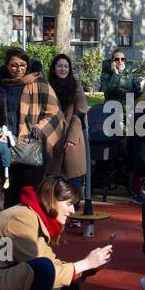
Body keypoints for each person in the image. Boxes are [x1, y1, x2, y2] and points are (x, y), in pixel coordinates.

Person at [0, 48, 62, 210]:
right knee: (10, 195)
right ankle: (9, 232)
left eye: (23, 65)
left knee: (32, 196)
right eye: (14, 65)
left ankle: (32, 231)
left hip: (32, 148)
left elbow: (55, 113)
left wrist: (40, 127)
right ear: (6, 65)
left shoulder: (39, 83)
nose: (18, 69)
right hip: (5, 148)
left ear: (28, 65)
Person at [46, 53, 88, 189]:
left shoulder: (76, 87)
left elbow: (80, 112)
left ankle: (74, 203)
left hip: (72, 134)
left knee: (73, 173)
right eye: (59, 66)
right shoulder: (48, 87)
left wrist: (72, 139)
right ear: (54, 68)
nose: (63, 69)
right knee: (52, 174)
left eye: (66, 66)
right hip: (53, 135)